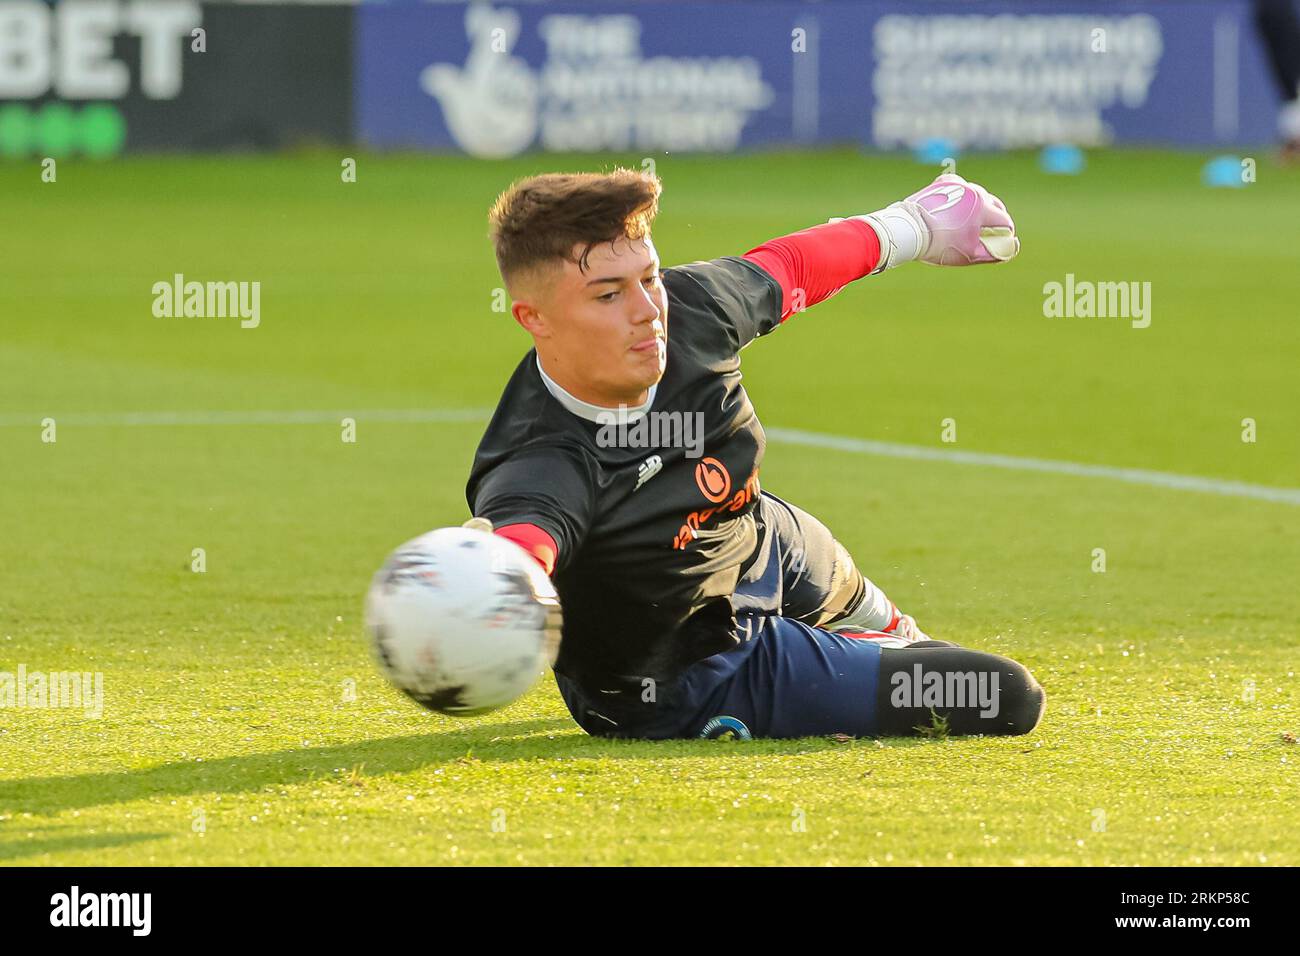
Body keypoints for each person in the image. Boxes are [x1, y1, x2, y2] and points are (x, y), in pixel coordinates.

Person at [462, 167, 1044, 740]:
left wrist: (915, 223)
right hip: (690, 672)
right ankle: (860, 658)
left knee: (849, 588)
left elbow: (792, 266)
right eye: (609, 294)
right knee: (998, 693)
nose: (647, 310)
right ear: (533, 318)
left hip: (754, 538)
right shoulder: (540, 460)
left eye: (650, 277)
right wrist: (495, 583)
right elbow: (525, 537)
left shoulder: (692, 311)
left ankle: (895, 640)